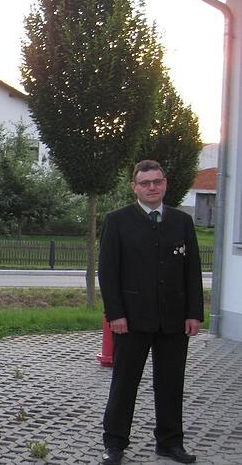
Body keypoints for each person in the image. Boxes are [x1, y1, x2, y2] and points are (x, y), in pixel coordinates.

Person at [98, 160, 203, 465]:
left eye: (157, 181)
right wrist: (115, 314)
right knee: (124, 384)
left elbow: (192, 271)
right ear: (135, 187)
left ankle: (170, 443)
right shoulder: (117, 221)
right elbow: (108, 272)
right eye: (145, 183)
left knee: (171, 384)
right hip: (130, 321)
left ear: (166, 184)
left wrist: (194, 313)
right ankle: (115, 444)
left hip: (174, 320)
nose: (152, 187)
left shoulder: (182, 222)